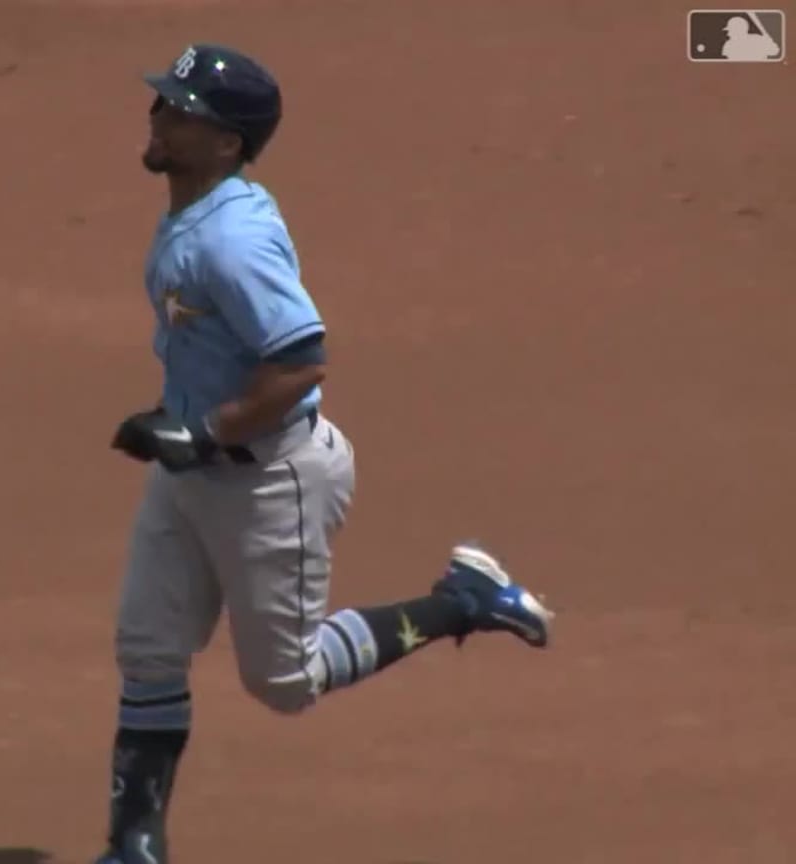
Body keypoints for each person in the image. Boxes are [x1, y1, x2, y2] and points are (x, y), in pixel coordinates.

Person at [97, 44, 556, 864]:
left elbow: (303, 359)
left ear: (228, 142)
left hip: (271, 478)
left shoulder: (230, 242)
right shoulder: (199, 210)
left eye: (181, 109)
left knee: (285, 684)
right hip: (198, 475)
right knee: (148, 647)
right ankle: (135, 847)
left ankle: (465, 599)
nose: (158, 115)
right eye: (163, 100)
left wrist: (204, 430)